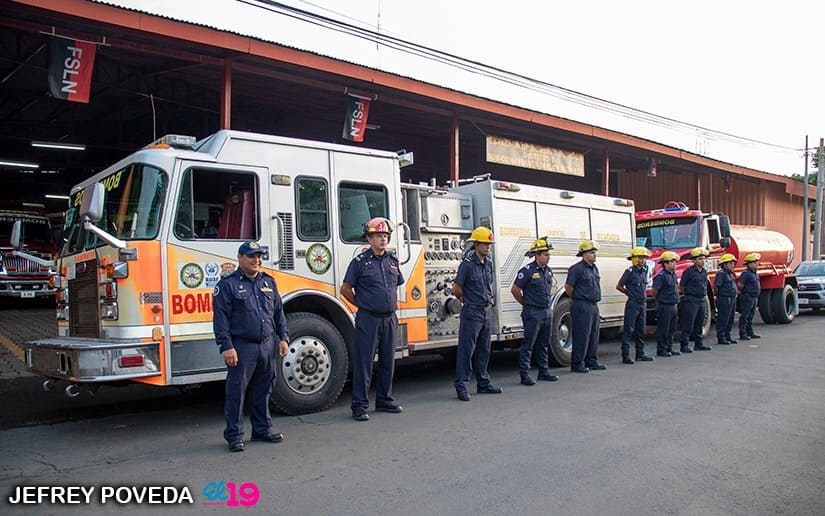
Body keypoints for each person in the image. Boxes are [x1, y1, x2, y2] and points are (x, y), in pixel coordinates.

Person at [213, 241, 289, 452]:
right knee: (237, 392)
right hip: (241, 347)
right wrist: (226, 346)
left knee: (264, 390)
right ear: (240, 258)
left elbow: (278, 313)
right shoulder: (227, 285)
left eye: (259, 256)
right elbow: (221, 320)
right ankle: (234, 435)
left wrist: (283, 338)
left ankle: (262, 429)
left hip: (267, 344)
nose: (257, 260)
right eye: (251, 256)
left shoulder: (268, 282)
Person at [341, 217, 405, 421]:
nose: (383, 239)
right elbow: (345, 289)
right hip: (368, 319)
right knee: (364, 363)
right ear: (369, 239)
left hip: (389, 319)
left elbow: (397, 284)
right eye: (378, 236)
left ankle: (385, 400)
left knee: (388, 361)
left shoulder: (392, 261)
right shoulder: (359, 262)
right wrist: (363, 304)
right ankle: (359, 406)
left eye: (385, 236)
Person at [453, 226, 503, 401]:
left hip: (486, 312)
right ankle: (462, 386)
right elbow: (456, 289)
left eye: (489, 244)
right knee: (466, 350)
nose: (488, 247)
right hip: (472, 312)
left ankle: (483, 382)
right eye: (485, 244)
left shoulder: (488, 263)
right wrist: (466, 300)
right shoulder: (467, 265)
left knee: (484, 349)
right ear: (476, 245)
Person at [510, 237, 559, 385]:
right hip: (532, 312)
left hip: (546, 311)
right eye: (545, 254)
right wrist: (525, 303)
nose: (548, 257)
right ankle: (524, 374)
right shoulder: (527, 271)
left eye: (549, 254)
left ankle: (543, 371)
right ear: (537, 255)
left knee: (544, 343)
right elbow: (515, 290)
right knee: (528, 344)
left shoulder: (547, 271)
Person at [565, 240, 606, 373]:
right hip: (582, 304)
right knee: (582, 334)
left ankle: (591, 361)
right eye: (591, 253)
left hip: (593, 304)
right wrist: (574, 297)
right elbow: (568, 287)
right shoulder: (576, 269)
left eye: (595, 253)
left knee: (594, 334)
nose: (594, 255)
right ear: (583, 254)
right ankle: (577, 363)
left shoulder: (594, 268)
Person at [616, 246, 655, 364]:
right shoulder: (629, 272)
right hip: (633, 303)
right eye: (640, 258)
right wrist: (629, 294)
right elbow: (619, 286)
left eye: (644, 258)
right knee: (628, 329)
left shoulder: (644, 271)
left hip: (642, 303)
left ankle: (640, 353)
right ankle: (626, 355)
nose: (643, 260)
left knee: (640, 330)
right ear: (634, 259)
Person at [679, 247, 712, 352]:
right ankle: (684, 345)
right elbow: (682, 286)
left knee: (700, 323)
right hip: (691, 300)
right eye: (700, 259)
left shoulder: (704, 272)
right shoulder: (688, 272)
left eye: (703, 259)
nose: (702, 261)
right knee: (688, 323)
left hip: (701, 300)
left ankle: (699, 344)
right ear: (694, 260)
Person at [652, 251, 681, 357]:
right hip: (664, 305)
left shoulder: (673, 274)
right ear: (665, 264)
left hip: (673, 305)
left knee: (671, 328)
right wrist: (660, 300)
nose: (674, 263)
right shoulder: (661, 276)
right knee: (663, 328)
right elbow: (655, 291)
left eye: (675, 261)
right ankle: (662, 349)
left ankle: (669, 347)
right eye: (672, 262)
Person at [713, 253, 738, 345]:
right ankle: (721, 337)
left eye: (733, 263)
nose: (733, 265)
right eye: (730, 263)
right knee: (723, 318)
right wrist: (719, 296)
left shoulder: (730, 274)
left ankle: (727, 336)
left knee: (730, 318)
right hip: (724, 298)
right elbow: (716, 287)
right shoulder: (721, 274)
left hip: (731, 298)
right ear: (725, 264)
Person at [737, 253, 762, 340]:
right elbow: (740, 285)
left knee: (750, 316)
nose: (757, 264)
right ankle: (743, 333)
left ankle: (750, 332)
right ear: (749, 264)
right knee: (745, 316)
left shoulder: (754, 273)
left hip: (754, 297)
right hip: (747, 297)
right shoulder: (746, 273)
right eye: (755, 262)